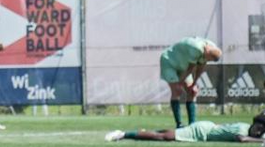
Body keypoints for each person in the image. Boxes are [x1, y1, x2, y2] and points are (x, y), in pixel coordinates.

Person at [160, 37, 223, 128]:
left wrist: (194, 84)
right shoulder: (197, 48)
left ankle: (192, 125)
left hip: (183, 66)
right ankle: (179, 124)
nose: (208, 61)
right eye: (209, 59)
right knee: (177, 91)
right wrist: (179, 83)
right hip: (170, 62)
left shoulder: (211, 49)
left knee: (193, 92)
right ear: (207, 53)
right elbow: (191, 68)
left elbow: (201, 66)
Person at [105, 112, 265, 142]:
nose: (258, 131)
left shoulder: (246, 126)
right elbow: (242, 139)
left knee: (165, 133)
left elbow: (222, 126)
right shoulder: (245, 131)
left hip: (207, 127)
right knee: (165, 137)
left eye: (261, 130)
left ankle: (140, 133)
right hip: (203, 131)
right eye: (258, 127)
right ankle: (123, 134)